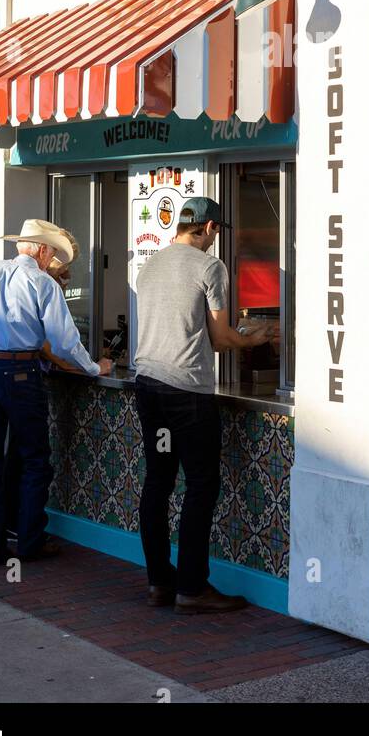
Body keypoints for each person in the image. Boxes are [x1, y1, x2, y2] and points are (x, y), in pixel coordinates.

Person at [0, 218, 112, 566]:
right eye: (53, 253)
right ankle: (29, 543)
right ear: (42, 250)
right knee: (34, 461)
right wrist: (93, 368)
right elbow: (65, 341)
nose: (52, 260)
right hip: (21, 377)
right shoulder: (42, 282)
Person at [134, 196, 275, 614]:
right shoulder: (210, 267)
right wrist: (255, 338)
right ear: (210, 227)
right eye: (217, 233)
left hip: (149, 388)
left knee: (158, 482)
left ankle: (160, 583)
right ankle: (192, 589)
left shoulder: (150, 264)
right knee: (201, 485)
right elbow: (219, 338)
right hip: (187, 395)